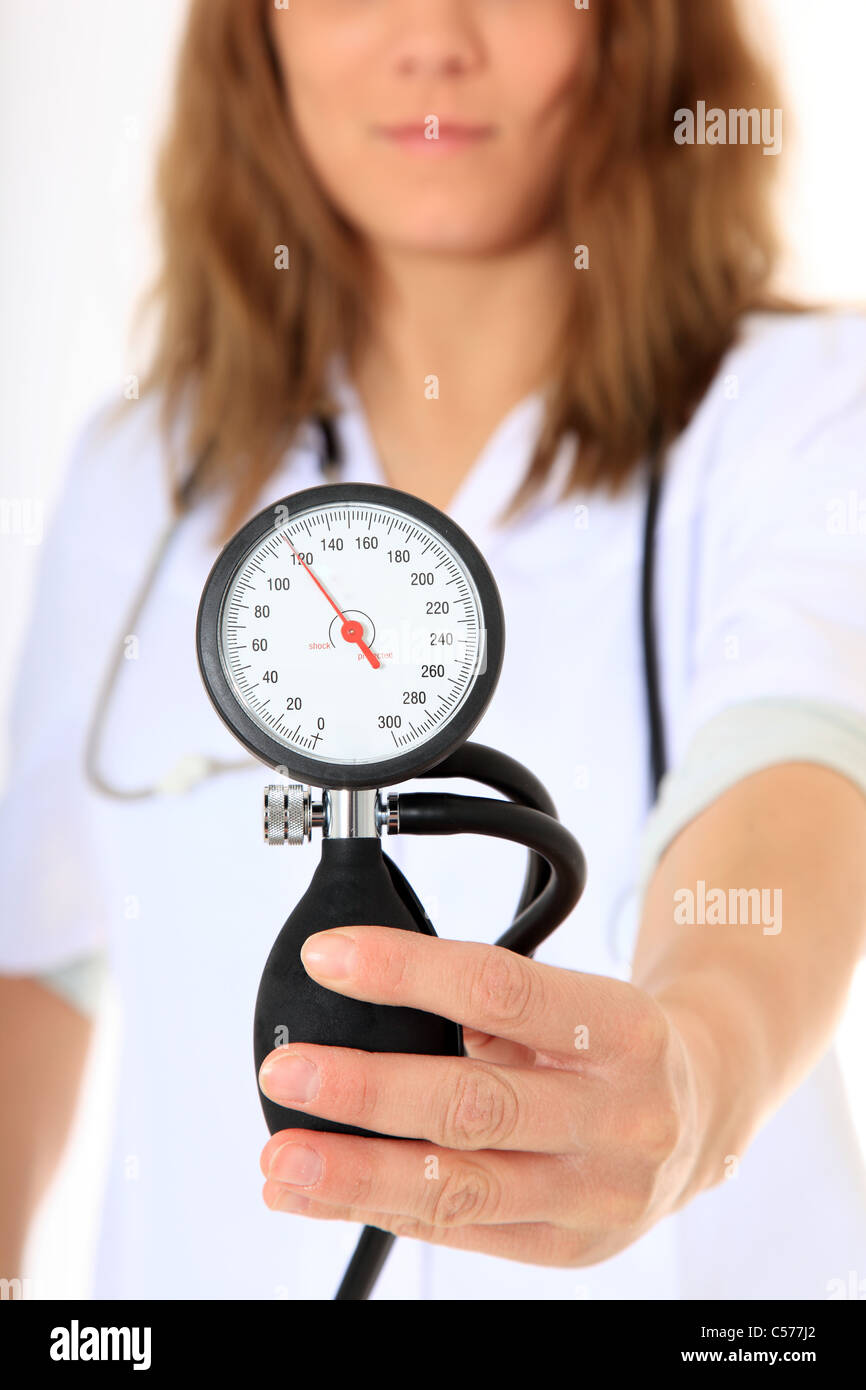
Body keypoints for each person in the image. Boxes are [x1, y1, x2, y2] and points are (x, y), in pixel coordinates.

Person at [2, 0, 866, 1302]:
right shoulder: (141, 473)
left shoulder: (801, 405)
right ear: (254, 34)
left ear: (637, 31)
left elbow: (792, 763)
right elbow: (33, 948)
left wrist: (698, 1064)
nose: (430, 39)